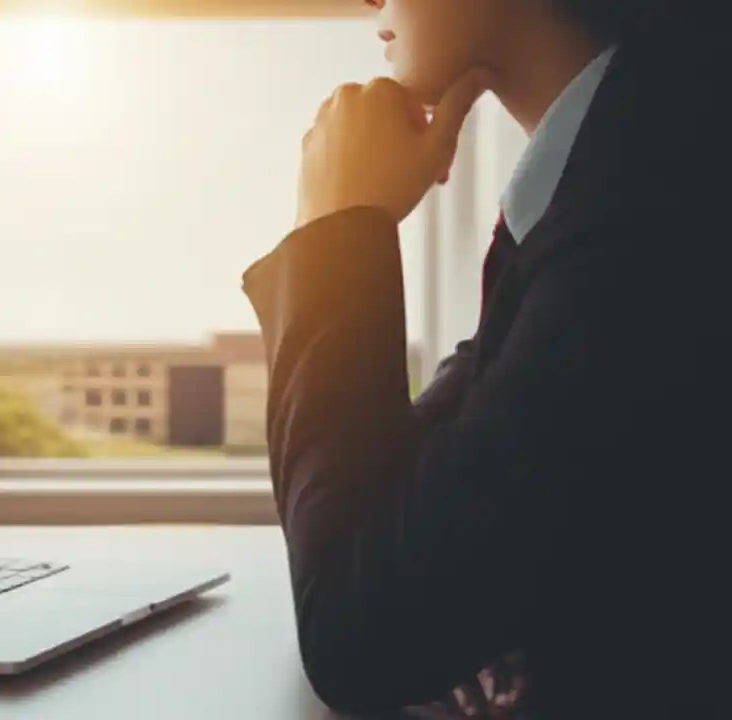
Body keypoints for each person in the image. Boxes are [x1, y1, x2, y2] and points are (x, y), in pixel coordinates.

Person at [246, 2, 725, 716]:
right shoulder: (629, 165)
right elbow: (435, 513)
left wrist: (336, 226)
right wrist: (464, 588)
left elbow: (361, 634)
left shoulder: (646, 215)